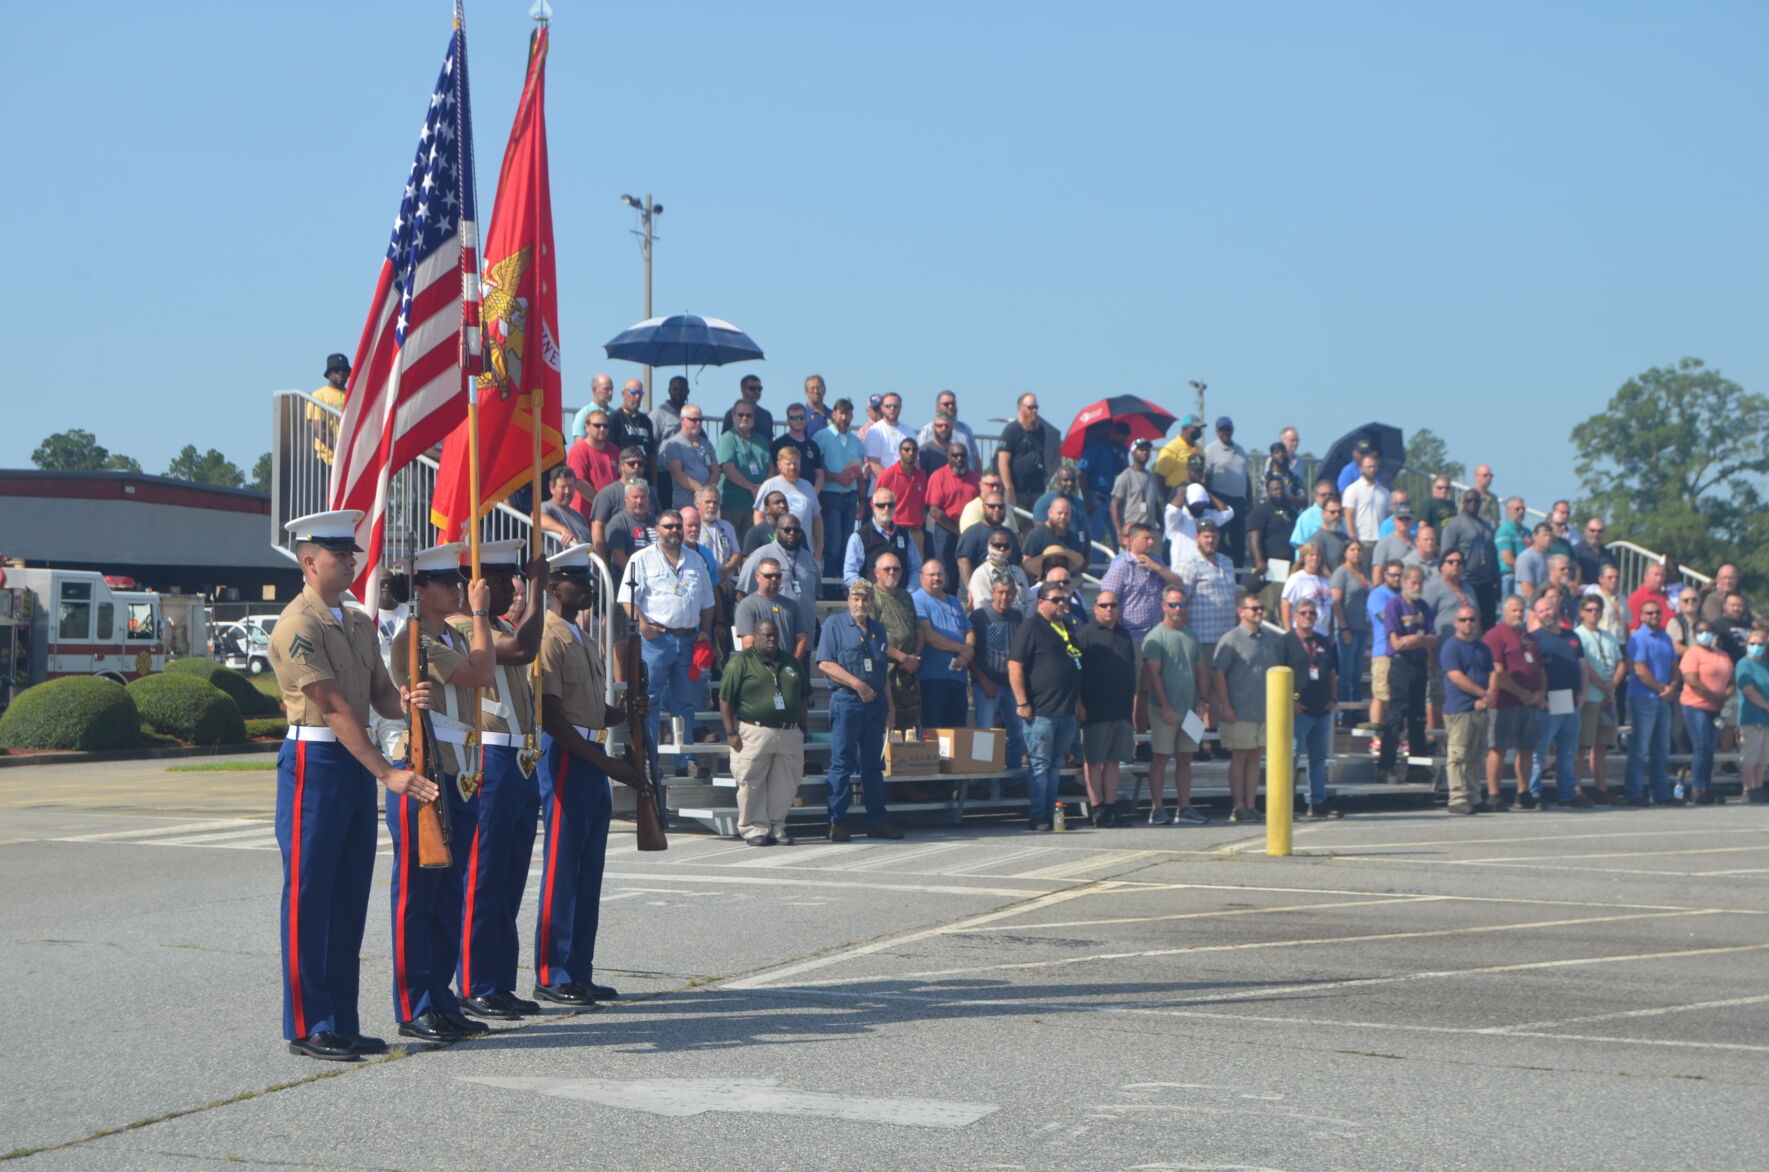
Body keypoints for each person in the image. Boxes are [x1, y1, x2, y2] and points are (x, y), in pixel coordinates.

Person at [268, 511, 439, 1061]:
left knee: (348, 897)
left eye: (351, 554)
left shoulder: (359, 621)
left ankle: (341, 1018)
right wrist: (387, 773)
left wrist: (407, 702)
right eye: (338, 555)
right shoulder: (298, 624)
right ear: (308, 561)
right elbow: (335, 708)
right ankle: (309, 1024)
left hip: (352, 760)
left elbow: (378, 693)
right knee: (310, 896)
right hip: (317, 761)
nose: (349, 562)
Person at [385, 542, 494, 1044]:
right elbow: (481, 673)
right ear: (421, 590)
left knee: (449, 896)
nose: (457, 589)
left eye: (458, 582)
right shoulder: (415, 639)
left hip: (459, 770)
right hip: (426, 771)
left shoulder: (450, 634)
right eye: (447, 583)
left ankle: (442, 998)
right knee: (418, 897)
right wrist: (481, 612)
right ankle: (416, 1004)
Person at [533, 543, 644, 1006]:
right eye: (579, 581)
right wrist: (608, 764)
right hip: (567, 757)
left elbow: (593, 711)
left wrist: (625, 713)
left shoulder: (582, 637)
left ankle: (579, 969)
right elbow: (552, 717)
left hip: (591, 754)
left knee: (587, 870)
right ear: (553, 587)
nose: (588, 588)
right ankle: (553, 972)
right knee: (563, 869)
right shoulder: (548, 636)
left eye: (589, 581)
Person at [448, 540, 548, 1023]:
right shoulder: (464, 626)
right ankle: (475, 982)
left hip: (517, 758)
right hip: (488, 756)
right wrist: (540, 589)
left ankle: (500, 980)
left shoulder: (500, 626)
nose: (513, 585)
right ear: (478, 583)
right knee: (483, 877)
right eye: (504, 577)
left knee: (508, 880)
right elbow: (524, 649)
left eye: (516, 577)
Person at [618, 510, 717, 783]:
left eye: (678, 526)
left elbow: (708, 601)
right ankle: (648, 760)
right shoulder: (641, 559)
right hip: (656, 641)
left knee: (685, 703)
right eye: (669, 526)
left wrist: (705, 630)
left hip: (688, 640)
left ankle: (686, 761)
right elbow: (627, 598)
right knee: (648, 701)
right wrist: (644, 626)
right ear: (657, 529)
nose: (674, 530)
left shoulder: (695, 559)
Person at [816, 580, 903, 841]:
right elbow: (825, 663)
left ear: (872, 602)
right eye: (856, 598)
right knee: (842, 762)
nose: (860, 603)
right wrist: (858, 685)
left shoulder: (878, 630)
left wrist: (890, 708)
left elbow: (883, 673)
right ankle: (836, 821)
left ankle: (877, 819)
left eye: (865, 599)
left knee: (874, 765)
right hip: (848, 701)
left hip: (875, 703)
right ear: (849, 599)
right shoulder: (834, 625)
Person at [720, 618, 810, 846]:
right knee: (751, 782)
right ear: (755, 637)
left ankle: (777, 827)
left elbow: (803, 697)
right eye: (766, 635)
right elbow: (725, 699)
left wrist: (803, 726)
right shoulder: (740, 662)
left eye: (775, 635)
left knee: (786, 783)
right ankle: (754, 829)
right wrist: (730, 732)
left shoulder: (791, 662)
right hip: (755, 730)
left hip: (789, 731)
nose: (771, 639)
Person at [1009, 584, 1082, 831]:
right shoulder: (1031, 627)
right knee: (1040, 764)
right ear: (1041, 601)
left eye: (1065, 599)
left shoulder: (1067, 627)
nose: (1063, 604)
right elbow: (1015, 665)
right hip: (1041, 711)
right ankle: (1038, 815)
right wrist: (1022, 702)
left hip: (1066, 710)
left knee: (1056, 764)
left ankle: (1053, 814)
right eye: (1057, 600)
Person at [1141, 587, 1210, 826]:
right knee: (1160, 758)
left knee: (1186, 759)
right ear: (1163, 606)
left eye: (1182, 604)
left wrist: (1203, 701)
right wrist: (1166, 706)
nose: (1178, 609)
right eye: (1173, 604)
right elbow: (1153, 676)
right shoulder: (1155, 637)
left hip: (1190, 710)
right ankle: (1157, 808)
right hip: (1163, 710)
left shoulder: (1191, 636)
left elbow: (1201, 671)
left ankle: (1185, 808)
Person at [1213, 592, 1282, 822]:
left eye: (1261, 608)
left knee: (1255, 757)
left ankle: (1251, 804)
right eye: (1254, 608)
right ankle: (1238, 806)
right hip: (1239, 709)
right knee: (1240, 757)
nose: (1259, 612)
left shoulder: (1268, 639)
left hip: (1263, 710)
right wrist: (1226, 706)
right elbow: (1219, 673)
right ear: (1241, 612)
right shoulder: (1231, 639)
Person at [1075, 590, 1137, 826]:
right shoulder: (1085, 635)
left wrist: (1132, 707)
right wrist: (1079, 703)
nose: (1109, 609)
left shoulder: (1124, 634)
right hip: (1095, 709)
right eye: (1104, 605)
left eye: (1113, 605)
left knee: (1113, 761)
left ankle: (1110, 806)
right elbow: (1075, 672)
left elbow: (1131, 671)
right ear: (1095, 608)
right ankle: (1096, 808)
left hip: (1121, 709)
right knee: (1094, 760)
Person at [1525, 594, 1591, 808]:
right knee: (1540, 750)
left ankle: (1567, 793)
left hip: (1570, 698)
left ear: (1556, 609)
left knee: (1568, 751)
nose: (1546, 613)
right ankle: (1533, 793)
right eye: (1541, 610)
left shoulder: (1571, 635)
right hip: (1549, 699)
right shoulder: (1534, 638)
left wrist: (1583, 693)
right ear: (1536, 614)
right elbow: (1532, 670)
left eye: (1549, 608)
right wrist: (1540, 696)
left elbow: (1582, 666)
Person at [1483, 595, 1543, 810]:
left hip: (1529, 703)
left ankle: (1523, 792)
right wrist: (1521, 693)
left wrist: (1540, 693)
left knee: (1526, 747)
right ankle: (1494, 794)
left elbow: (1539, 667)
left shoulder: (1528, 636)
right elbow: (1498, 672)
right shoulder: (1495, 635)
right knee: (1498, 747)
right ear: (1504, 611)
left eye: (1521, 610)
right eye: (1514, 610)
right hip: (1504, 702)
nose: (1518, 614)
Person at [735, 516, 821, 665]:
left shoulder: (809, 559)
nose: (792, 533)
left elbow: (815, 596)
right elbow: (743, 594)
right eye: (787, 530)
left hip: (803, 639)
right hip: (772, 642)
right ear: (776, 532)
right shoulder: (760, 556)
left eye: (796, 530)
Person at [1378, 566, 1436, 786]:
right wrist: (1420, 640)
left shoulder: (1423, 607)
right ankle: (1386, 766)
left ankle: (1417, 768)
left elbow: (1433, 638)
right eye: (1413, 581)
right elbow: (1396, 642)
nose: (1417, 586)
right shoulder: (1394, 604)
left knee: (1418, 718)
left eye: (1420, 582)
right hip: (1401, 665)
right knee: (1396, 716)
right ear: (1403, 582)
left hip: (1419, 665)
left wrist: (1417, 640)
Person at [969, 576, 1029, 789]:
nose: (1005, 597)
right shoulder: (979, 616)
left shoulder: (1017, 616)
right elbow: (970, 654)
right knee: (984, 733)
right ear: (992, 593)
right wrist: (982, 680)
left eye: (1009, 593)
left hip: (1011, 685)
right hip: (986, 683)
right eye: (1001, 592)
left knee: (1018, 732)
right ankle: (982, 782)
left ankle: (1012, 780)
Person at [1285, 597, 1340, 819]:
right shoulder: (1286, 642)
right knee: (1292, 757)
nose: (1308, 616)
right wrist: (1290, 701)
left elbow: (1332, 672)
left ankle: (1317, 802)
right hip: (1299, 709)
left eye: (1312, 613)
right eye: (1304, 613)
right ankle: (1285, 803)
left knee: (1318, 758)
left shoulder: (1323, 641)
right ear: (1295, 616)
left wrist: (1333, 699)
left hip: (1322, 708)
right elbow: (1278, 674)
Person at [1624, 598, 1680, 805]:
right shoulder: (1638, 638)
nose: (1654, 616)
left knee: (1661, 749)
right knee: (1640, 749)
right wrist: (1661, 689)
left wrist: (1672, 686)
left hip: (1663, 699)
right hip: (1643, 698)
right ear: (1641, 616)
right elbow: (1639, 669)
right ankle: (1634, 793)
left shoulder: (1666, 638)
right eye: (1649, 613)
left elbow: (1674, 667)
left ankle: (1661, 793)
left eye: (1657, 612)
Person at [1440, 604, 1495, 815]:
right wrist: (1482, 693)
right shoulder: (1451, 647)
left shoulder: (1482, 647)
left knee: (1475, 755)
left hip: (1480, 709)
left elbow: (1492, 672)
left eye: (1472, 619)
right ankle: (1457, 797)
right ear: (1456, 623)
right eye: (1463, 620)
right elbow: (1456, 677)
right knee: (1458, 755)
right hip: (1459, 709)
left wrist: (1489, 694)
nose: (1468, 623)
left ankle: (1474, 795)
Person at [1573, 593, 1624, 803]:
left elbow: (1621, 662)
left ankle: (1601, 788)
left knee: (1601, 746)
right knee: (1582, 745)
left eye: (1597, 610)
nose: (1594, 613)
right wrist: (1602, 684)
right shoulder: (1578, 635)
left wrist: (1612, 685)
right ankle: (1576, 788)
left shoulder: (1609, 636)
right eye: (1590, 610)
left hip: (1608, 698)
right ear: (1581, 612)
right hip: (1590, 697)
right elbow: (1583, 665)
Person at [912, 560, 974, 727]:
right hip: (932, 679)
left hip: (958, 678)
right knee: (932, 731)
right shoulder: (917, 600)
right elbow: (928, 635)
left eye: (939, 574)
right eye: (931, 574)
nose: (936, 578)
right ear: (921, 577)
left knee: (957, 732)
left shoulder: (954, 601)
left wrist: (967, 652)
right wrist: (962, 649)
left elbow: (969, 630)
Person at [813, 397, 866, 592]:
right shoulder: (821, 437)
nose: (845, 417)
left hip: (850, 498)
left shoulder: (856, 442)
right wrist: (836, 477)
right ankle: (829, 589)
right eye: (841, 413)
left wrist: (862, 501)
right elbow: (816, 469)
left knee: (847, 546)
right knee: (833, 546)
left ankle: (845, 588)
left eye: (848, 413)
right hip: (830, 496)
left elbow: (860, 474)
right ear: (834, 414)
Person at [1680, 619, 1734, 804]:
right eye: (1701, 631)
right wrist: (1713, 697)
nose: (1706, 635)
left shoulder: (1723, 654)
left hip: (1717, 708)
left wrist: (1725, 696)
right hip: (1696, 706)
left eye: (1709, 631)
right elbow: (1691, 680)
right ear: (1695, 635)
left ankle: (1707, 787)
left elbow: (1731, 680)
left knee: (1710, 748)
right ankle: (1697, 788)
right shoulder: (1692, 653)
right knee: (1701, 746)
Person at [1099, 522, 1180, 645]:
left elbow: (1178, 584)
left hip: (1158, 635)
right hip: (1132, 636)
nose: (1151, 542)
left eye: (1152, 538)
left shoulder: (1157, 561)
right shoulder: (1121, 566)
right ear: (1132, 540)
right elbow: (1108, 599)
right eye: (1146, 538)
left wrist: (1157, 567)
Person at [871, 552, 925, 733]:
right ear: (877, 572)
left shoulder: (906, 596)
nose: (892, 572)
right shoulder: (871, 597)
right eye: (887, 569)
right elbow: (872, 638)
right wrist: (903, 658)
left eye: (896, 569)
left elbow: (918, 630)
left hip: (909, 674)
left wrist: (915, 656)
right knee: (887, 729)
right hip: (886, 675)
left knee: (910, 731)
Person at [751, 445, 823, 565]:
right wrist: (765, 541)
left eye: (796, 463)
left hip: (803, 550)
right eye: (788, 463)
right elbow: (759, 515)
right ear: (779, 464)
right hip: (777, 551)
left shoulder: (808, 486)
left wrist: (819, 547)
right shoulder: (770, 485)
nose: (793, 467)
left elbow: (816, 518)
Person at [925, 440, 982, 587]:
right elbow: (934, 510)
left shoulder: (975, 478)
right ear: (948, 456)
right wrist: (957, 529)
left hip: (970, 532)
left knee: (970, 569)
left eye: (962, 455)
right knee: (946, 572)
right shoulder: (938, 476)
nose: (959, 459)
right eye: (955, 455)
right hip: (946, 530)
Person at [1441, 489, 1499, 626]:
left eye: (1476, 501)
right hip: (1466, 581)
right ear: (1463, 502)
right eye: (1469, 500)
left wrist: (1497, 580)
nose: (1473, 503)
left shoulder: (1486, 525)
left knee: (1488, 623)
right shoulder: (1454, 524)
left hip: (1486, 582)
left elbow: (1493, 554)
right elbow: (1446, 553)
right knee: (1471, 621)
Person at [844, 487, 923, 587]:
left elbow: (917, 568)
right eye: (881, 505)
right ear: (873, 507)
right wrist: (869, 591)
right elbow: (850, 573)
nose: (886, 509)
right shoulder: (858, 537)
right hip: (872, 595)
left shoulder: (905, 535)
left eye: (891, 505)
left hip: (903, 594)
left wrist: (909, 591)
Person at [589, 449, 660, 559]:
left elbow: (659, 521)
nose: (636, 467)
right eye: (632, 463)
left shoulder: (651, 492)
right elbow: (598, 527)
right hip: (620, 556)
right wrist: (602, 562)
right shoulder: (607, 493)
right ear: (621, 466)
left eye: (640, 464)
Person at [733, 557, 807, 661]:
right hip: (759, 667)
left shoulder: (792, 605)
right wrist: (765, 667)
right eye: (768, 576)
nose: (774, 579)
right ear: (758, 577)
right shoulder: (746, 605)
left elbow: (802, 638)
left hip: (786, 665)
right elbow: (748, 642)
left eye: (778, 576)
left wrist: (793, 664)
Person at [716, 401, 771, 540]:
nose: (744, 418)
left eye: (749, 415)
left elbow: (771, 468)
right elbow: (728, 469)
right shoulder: (727, 438)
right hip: (733, 505)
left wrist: (763, 489)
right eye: (740, 415)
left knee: (754, 546)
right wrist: (752, 487)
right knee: (734, 547)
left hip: (757, 506)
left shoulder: (761, 440)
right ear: (733, 416)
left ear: (754, 417)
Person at [1203, 416, 1252, 564]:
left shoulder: (1241, 450)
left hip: (1239, 501)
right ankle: (1218, 567)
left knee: (1239, 540)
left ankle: (1238, 573)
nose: (1225, 432)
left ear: (1233, 430)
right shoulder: (1210, 450)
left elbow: (1246, 477)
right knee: (1218, 539)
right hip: (1220, 501)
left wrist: (1250, 501)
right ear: (1217, 431)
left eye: (1228, 429)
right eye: (1222, 430)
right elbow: (1206, 478)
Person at [1330, 540, 1372, 715]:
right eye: (1352, 549)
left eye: (1359, 549)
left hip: (1362, 627)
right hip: (1347, 628)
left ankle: (1356, 710)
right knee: (1346, 672)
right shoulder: (1341, 572)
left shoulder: (1363, 572)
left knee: (1357, 673)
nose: (1356, 552)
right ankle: (1344, 711)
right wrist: (1344, 628)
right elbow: (1336, 602)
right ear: (1345, 552)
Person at [996, 394, 1052, 511]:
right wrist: (1009, 489)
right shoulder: (1011, 430)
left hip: (1037, 489)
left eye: (1036, 407)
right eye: (1030, 408)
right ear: (1020, 408)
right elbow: (1002, 462)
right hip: (1019, 491)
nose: (1034, 411)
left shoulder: (1040, 430)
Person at [1079, 423, 1129, 551]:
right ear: (1113, 433)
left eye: (1125, 438)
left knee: (1118, 534)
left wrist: (1124, 459)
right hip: (1096, 496)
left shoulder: (1122, 450)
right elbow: (1082, 473)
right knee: (1095, 536)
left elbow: (1125, 472)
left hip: (1114, 498)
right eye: (1120, 436)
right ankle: (1094, 564)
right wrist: (1087, 501)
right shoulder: (1096, 446)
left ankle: (1117, 561)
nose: (1123, 440)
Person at [876, 435, 930, 552]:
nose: (911, 453)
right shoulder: (887, 475)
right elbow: (877, 504)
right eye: (907, 449)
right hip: (894, 528)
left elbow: (923, 505)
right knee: (894, 561)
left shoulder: (921, 476)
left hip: (916, 530)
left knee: (917, 562)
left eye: (914, 450)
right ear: (900, 451)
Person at [659, 406, 718, 511]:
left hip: (706, 507)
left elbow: (716, 470)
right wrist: (701, 491)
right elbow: (678, 474)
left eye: (700, 420)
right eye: (694, 420)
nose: (698, 423)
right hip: (684, 506)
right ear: (682, 420)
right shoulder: (673, 444)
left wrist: (707, 492)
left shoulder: (707, 444)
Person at [1164, 482, 1235, 569]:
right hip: (1182, 569)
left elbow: (1228, 512)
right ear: (1187, 502)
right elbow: (1173, 511)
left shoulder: (1208, 515)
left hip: (1204, 570)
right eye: (1197, 504)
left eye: (1203, 504)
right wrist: (1181, 493)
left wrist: (1207, 493)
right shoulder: (1178, 518)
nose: (1200, 507)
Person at [956, 493, 1021, 585]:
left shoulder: (1010, 535)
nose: (997, 509)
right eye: (992, 506)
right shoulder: (971, 533)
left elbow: (1017, 563)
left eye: (1000, 507)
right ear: (984, 507)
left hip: (1005, 591)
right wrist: (970, 588)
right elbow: (963, 561)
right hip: (978, 590)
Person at [1246, 473, 1298, 587]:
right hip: (1272, 563)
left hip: (1291, 561)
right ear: (1268, 491)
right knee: (1274, 593)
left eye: (1281, 489)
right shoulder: (1260, 511)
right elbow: (1254, 537)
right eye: (1275, 489)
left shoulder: (1291, 511)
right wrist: (1259, 560)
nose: (1279, 492)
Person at [1111, 436, 1164, 544]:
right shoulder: (1125, 476)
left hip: (1151, 533)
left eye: (1147, 450)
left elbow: (1156, 504)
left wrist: (1162, 525)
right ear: (1133, 453)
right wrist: (1119, 532)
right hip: (1132, 532)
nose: (1145, 452)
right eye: (1141, 450)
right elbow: (1114, 505)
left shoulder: (1152, 477)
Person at [565, 409, 619, 515]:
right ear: (587, 427)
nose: (602, 429)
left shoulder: (615, 450)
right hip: (585, 516)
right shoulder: (578, 450)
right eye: (597, 425)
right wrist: (602, 503)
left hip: (610, 514)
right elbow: (578, 481)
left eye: (605, 426)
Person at [967, 527, 1032, 613]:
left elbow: (1029, 601)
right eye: (997, 545)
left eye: (1006, 546)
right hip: (993, 619)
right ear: (989, 545)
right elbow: (982, 606)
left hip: (1021, 618)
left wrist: (1026, 619)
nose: (1002, 549)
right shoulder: (980, 574)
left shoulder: (1018, 572)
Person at [1737, 630, 1769, 804]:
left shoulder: (1765, 665)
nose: (1756, 647)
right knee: (1750, 755)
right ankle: (1749, 788)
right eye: (1753, 643)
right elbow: (1748, 690)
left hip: (1766, 719)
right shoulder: (1744, 664)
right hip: (1751, 716)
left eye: (1760, 644)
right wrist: (1766, 706)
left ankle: (1758, 786)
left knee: (1764, 756)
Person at [1022, 497, 1087, 579]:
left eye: (1066, 514)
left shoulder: (1071, 536)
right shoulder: (1036, 535)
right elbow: (1026, 561)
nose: (1063, 517)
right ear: (1050, 512)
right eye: (1059, 513)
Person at [602, 479, 656, 578]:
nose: (639, 501)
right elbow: (619, 558)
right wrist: (642, 578)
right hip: (632, 580)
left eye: (643, 497)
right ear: (626, 499)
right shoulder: (618, 523)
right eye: (635, 497)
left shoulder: (655, 521)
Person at [1280, 543, 1335, 640]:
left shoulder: (1325, 580)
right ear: (1304, 558)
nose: (1315, 558)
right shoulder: (1297, 578)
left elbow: (1328, 607)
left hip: (1324, 633)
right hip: (1303, 632)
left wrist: (1330, 633)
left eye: (1317, 555)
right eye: (1311, 555)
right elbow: (1286, 603)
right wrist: (1289, 631)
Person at [916, 389, 981, 468]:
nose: (950, 407)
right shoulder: (927, 430)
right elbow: (918, 459)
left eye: (953, 404)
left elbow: (976, 458)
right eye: (946, 404)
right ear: (937, 407)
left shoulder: (965, 429)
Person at [862, 392, 914, 488]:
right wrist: (894, 484)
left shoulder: (910, 431)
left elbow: (916, 462)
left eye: (896, 406)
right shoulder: (874, 431)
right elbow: (873, 463)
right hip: (882, 490)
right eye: (888, 406)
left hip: (907, 489)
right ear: (882, 408)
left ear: (900, 408)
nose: (892, 409)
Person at [607, 379, 657, 478]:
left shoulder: (646, 421)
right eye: (633, 392)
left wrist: (655, 482)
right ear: (623, 394)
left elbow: (652, 454)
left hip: (644, 475)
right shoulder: (614, 419)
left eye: (640, 393)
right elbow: (609, 451)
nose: (637, 396)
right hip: (624, 475)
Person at [769, 402, 825, 489]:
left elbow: (820, 473)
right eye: (794, 418)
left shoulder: (813, 445)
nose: (799, 421)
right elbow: (773, 471)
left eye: (802, 417)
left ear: (806, 419)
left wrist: (814, 493)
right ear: (788, 420)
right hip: (786, 492)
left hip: (808, 493)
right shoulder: (778, 444)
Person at [307, 353, 350, 466]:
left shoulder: (353, 395)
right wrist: (342, 451)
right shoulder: (319, 396)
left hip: (350, 461)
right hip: (328, 461)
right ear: (329, 373)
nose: (341, 373)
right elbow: (319, 431)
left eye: (344, 370)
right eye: (336, 370)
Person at [1340, 454, 1391, 542]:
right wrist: (1353, 538)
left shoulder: (1384, 492)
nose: (1372, 469)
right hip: (1361, 539)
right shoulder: (1352, 490)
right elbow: (1348, 515)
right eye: (1369, 467)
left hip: (1381, 539)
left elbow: (1388, 515)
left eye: (1374, 467)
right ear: (1361, 469)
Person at [539, 464, 591, 544]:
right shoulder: (546, 507)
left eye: (570, 486)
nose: (567, 491)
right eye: (563, 487)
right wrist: (563, 530)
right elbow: (537, 517)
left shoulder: (580, 517)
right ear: (552, 488)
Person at [1154, 414, 1205, 492]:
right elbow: (1159, 477)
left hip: (1194, 494)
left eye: (1200, 429)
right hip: (1173, 493)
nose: (1199, 431)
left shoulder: (1200, 450)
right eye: (1196, 428)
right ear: (1184, 428)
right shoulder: (1170, 449)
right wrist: (1163, 497)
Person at [1493, 497, 1530, 599]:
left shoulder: (1528, 532)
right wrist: (1525, 575)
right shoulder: (1504, 531)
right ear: (1508, 510)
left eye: (1523, 509)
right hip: (1511, 576)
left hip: (1524, 577)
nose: (1521, 512)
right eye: (1518, 509)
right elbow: (1508, 560)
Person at [721, 372, 774, 440]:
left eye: (759, 388)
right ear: (742, 390)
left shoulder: (767, 415)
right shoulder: (732, 414)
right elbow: (725, 438)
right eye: (752, 388)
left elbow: (769, 441)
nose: (756, 391)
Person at [1288, 480, 1337, 549]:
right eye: (1323, 495)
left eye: (1330, 494)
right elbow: (1300, 545)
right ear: (1315, 496)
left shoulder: (1339, 514)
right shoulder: (1307, 517)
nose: (1327, 497)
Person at [1513, 523, 1554, 603]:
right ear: (1535, 536)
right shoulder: (1525, 558)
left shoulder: (1550, 558)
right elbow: (1527, 591)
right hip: (1529, 605)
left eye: (1550, 535)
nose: (1548, 538)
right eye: (1545, 535)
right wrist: (1540, 606)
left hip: (1546, 604)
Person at [567, 374, 615, 441]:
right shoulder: (583, 414)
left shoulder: (615, 414)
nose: (610, 392)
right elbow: (580, 443)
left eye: (611, 389)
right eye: (606, 389)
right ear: (594, 390)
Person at [1627, 563, 1671, 633]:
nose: (1659, 579)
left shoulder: (1666, 596)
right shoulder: (1636, 598)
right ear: (1646, 576)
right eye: (1656, 575)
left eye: (1662, 575)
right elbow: (1633, 628)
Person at [745, 490, 790, 556]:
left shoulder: (795, 531)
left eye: (784, 502)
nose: (782, 505)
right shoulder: (755, 532)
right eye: (777, 503)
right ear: (767, 509)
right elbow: (747, 559)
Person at [1370, 505, 1415, 570]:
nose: (1404, 522)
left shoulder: (1417, 541)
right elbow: (1377, 568)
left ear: (1412, 521)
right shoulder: (1384, 543)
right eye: (1400, 519)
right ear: (1394, 521)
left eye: (1407, 519)